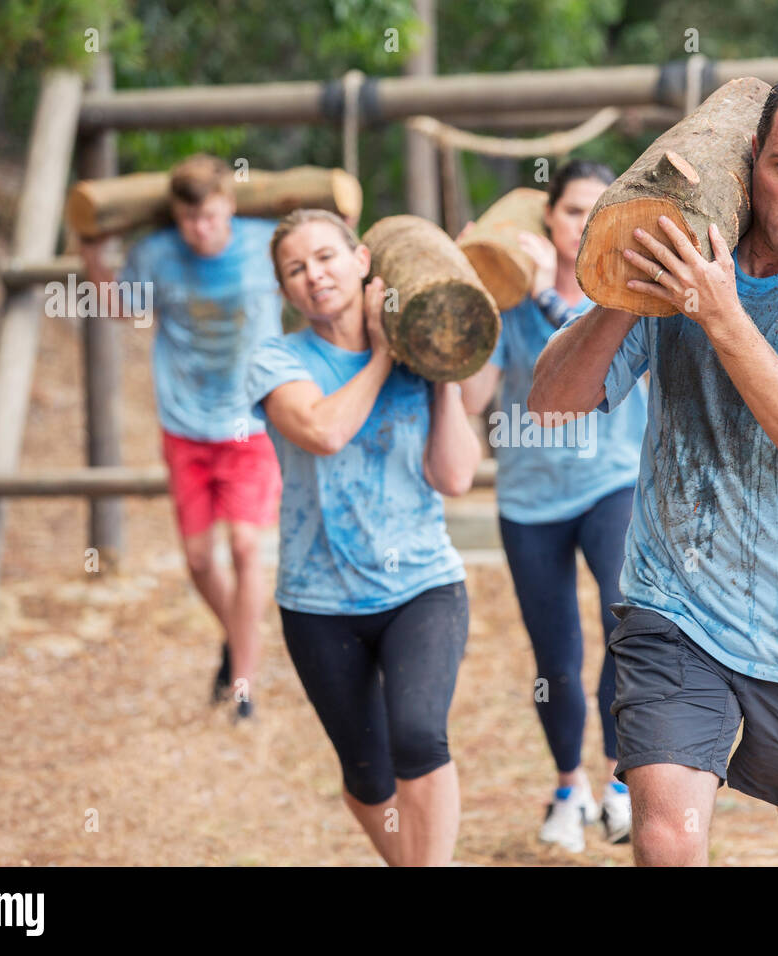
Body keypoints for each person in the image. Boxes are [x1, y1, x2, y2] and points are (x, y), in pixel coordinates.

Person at [529, 70, 778, 866]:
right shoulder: (684, 263)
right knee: (668, 833)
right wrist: (623, 279)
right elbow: (551, 404)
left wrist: (723, 312)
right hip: (676, 602)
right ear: (751, 158)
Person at [246, 209, 481, 866]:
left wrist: (439, 373)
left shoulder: (419, 356)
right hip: (320, 603)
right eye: (296, 269)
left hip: (422, 588)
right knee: (368, 775)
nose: (314, 275)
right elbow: (323, 431)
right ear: (285, 289)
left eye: (325, 257)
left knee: (418, 739)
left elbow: (455, 476)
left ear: (362, 261)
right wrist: (381, 354)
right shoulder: (278, 361)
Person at [460, 161, 648, 852]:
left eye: (598, 211)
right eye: (572, 211)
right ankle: (570, 788)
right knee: (557, 658)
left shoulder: (629, 293)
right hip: (531, 498)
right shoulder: (511, 301)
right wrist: (468, 297)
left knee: (623, 624)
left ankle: (621, 783)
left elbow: (595, 351)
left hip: (613, 483)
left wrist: (545, 297)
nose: (583, 223)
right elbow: (473, 400)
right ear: (548, 221)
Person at [81, 154, 283, 722]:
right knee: (198, 559)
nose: (202, 230)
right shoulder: (157, 255)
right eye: (191, 219)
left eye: (213, 217)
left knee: (245, 546)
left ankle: (244, 686)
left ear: (230, 208)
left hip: (249, 419)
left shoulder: (266, 245)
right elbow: (125, 308)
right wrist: (95, 263)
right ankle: (237, 638)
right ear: (176, 216)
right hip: (185, 422)